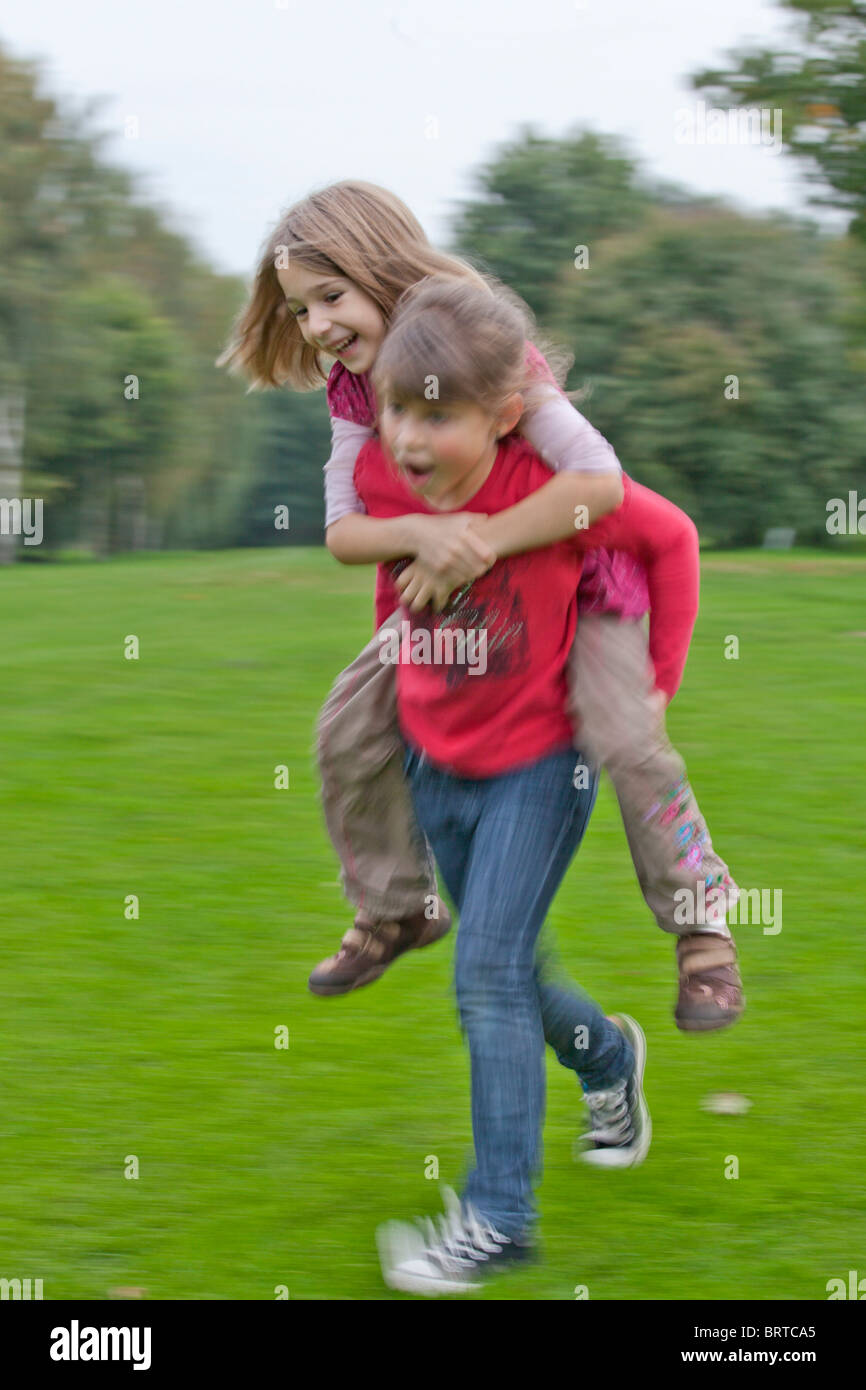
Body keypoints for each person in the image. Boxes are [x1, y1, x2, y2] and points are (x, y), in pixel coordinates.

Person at [218, 179, 743, 1031]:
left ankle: (702, 925)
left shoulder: (498, 364)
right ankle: (397, 906)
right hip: (463, 604)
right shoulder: (352, 393)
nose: (315, 327)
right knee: (347, 729)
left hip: (584, 582)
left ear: (380, 271)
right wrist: (427, 545)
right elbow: (348, 533)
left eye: (329, 297)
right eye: (299, 309)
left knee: (626, 739)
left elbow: (602, 488)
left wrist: (481, 538)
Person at [357, 277, 687, 1292]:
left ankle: (498, 1217)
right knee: (516, 969)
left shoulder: (551, 489)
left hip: (542, 764)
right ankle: (603, 1061)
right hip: (436, 761)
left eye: (437, 413)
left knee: (484, 973)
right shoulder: (387, 479)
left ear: (503, 413)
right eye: (396, 407)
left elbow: (667, 539)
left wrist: (655, 690)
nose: (409, 436)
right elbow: (383, 580)